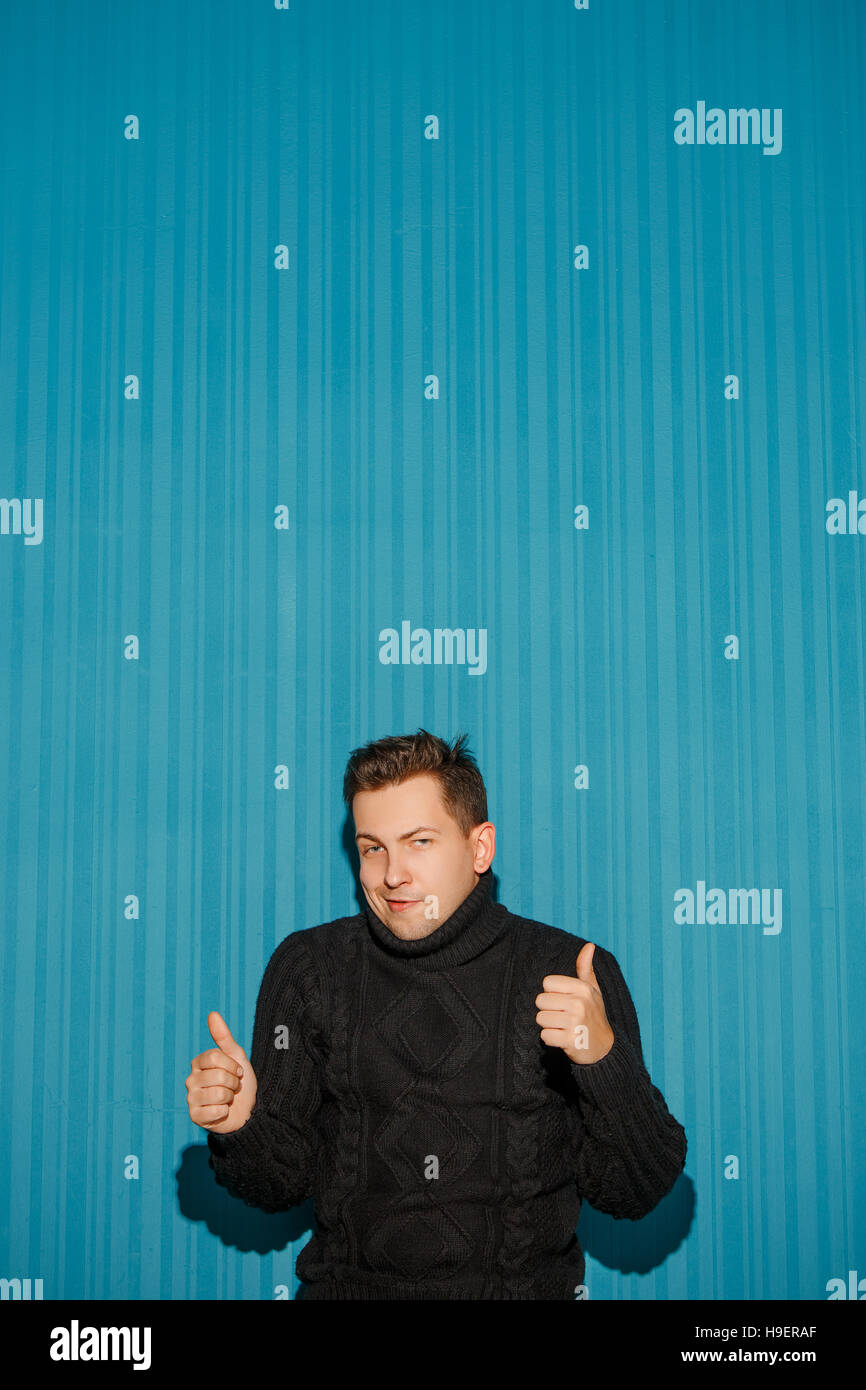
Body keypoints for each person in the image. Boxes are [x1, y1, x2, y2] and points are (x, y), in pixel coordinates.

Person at [186, 729, 686, 1299]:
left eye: (419, 842)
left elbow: (637, 1190)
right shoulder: (310, 968)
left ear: (480, 847)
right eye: (372, 847)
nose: (391, 873)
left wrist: (603, 1061)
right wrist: (240, 1129)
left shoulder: (569, 970)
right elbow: (278, 1186)